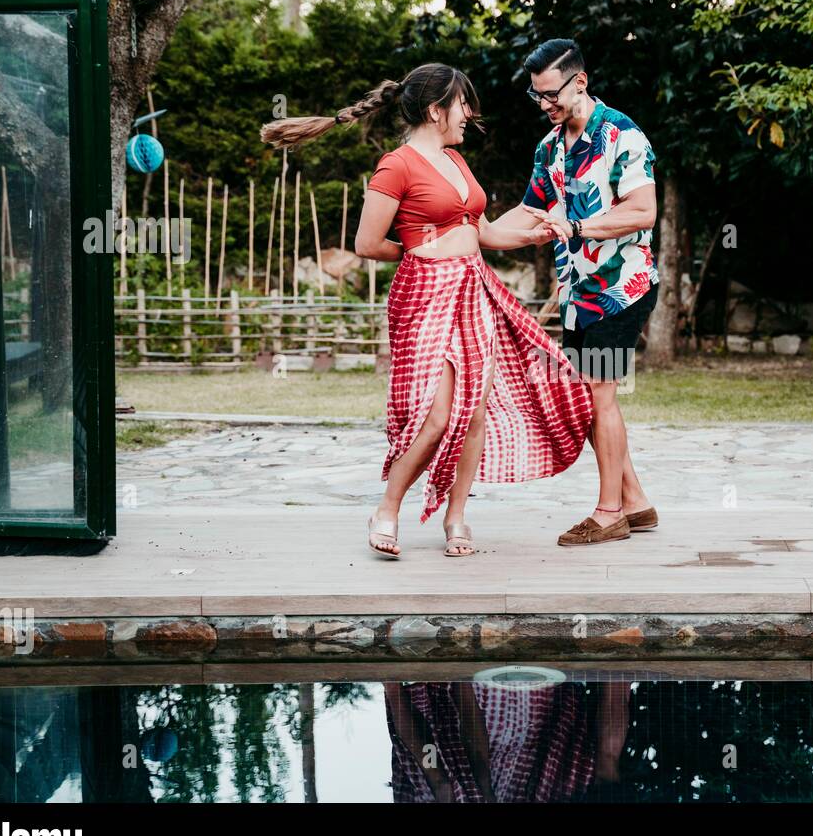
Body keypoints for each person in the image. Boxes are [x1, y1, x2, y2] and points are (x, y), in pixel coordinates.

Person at [260, 63, 594, 559]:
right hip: (424, 293)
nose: (468, 113)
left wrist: (532, 233)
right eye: (462, 104)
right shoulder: (396, 165)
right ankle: (388, 508)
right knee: (437, 415)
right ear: (437, 109)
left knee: (475, 412)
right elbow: (367, 242)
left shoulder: (457, 163)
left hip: (473, 286)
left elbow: (481, 231)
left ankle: (457, 516)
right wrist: (421, 248)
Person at [487, 39, 659, 546]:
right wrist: (477, 234)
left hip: (619, 289)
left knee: (599, 396)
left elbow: (642, 211)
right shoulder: (550, 146)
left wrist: (577, 227)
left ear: (579, 82)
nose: (544, 105)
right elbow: (531, 209)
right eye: (536, 96)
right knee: (590, 398)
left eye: (551, 94)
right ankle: (637, 502)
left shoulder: (623, 135)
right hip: (578, 293)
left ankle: (610, 513)